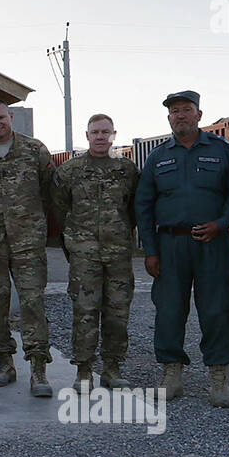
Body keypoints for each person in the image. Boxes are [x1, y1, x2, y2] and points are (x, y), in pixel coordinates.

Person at [135, 90, 229, 404]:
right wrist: (151, 250)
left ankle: (219, 377)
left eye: (186, 109)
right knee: (169, 310)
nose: (180, 115)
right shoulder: (157, 156)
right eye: (174, 111)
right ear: (168, 117)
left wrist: (222, 223)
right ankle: (172, 374)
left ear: (199, 114)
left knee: (216, 309)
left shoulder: (221, 151)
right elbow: (143, 205)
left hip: (212, 244)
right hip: (170, 245)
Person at [0, 98, 56, 392]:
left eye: (1, 118)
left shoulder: (34, 150)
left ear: (11, 117)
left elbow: (50, 190)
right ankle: (4, 362)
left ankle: (38, 369)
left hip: (28, 239)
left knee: (32, 301)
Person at [51, 114, 140, 392]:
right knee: (85, 311)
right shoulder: (70, 170)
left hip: (118, 255)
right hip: (84, 255)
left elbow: (134, 209)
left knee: (117, 312)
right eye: (95, 132)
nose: (100, 137)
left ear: (114, 134)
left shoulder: (127, 170)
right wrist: (76, 240)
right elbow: (59, 207)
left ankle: (112, 369)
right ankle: (84, 370)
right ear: (87, 135)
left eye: (105, 132)